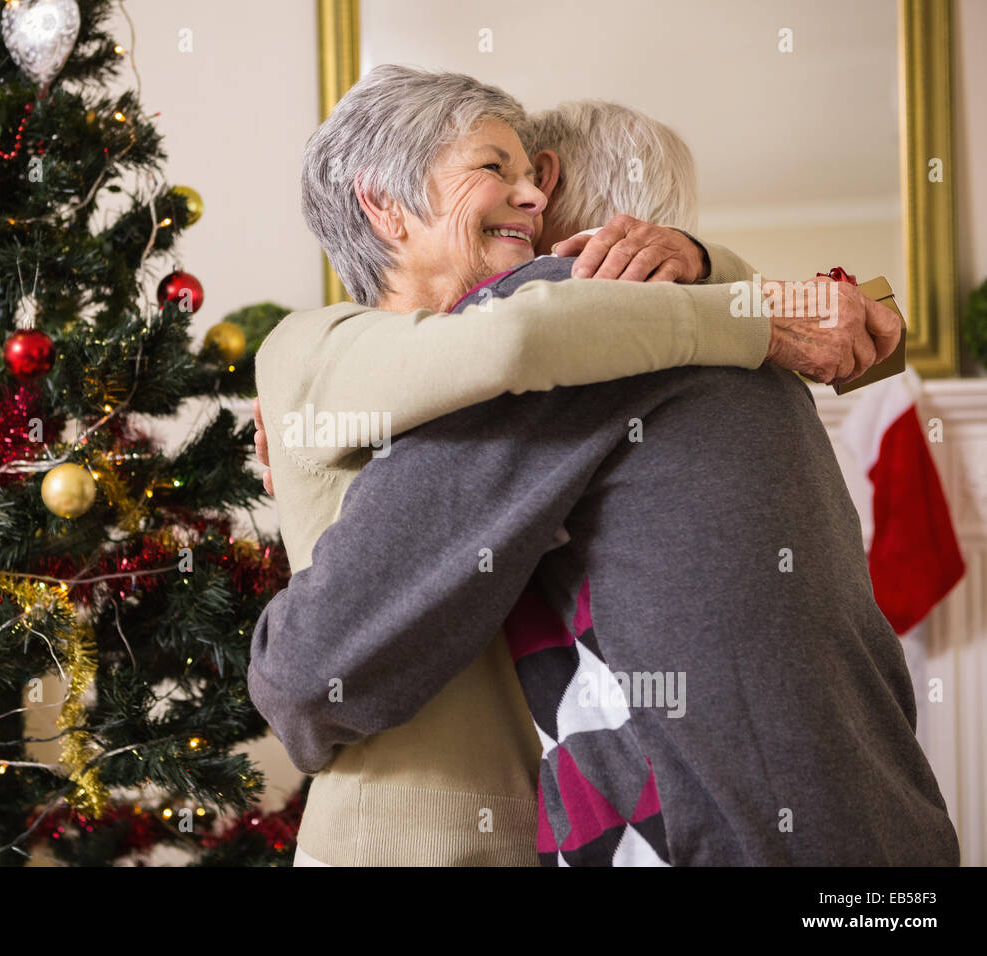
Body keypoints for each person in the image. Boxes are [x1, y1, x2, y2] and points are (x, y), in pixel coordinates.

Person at [251, 65, 900, 866]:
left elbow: (553, 325)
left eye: (537, 177)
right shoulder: (332, 346)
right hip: (408, 838)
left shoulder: (591, 353)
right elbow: (521, 334)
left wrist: (714, 271)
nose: (529, 198)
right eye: (497, 169)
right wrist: (754, 304)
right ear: (382, 202)